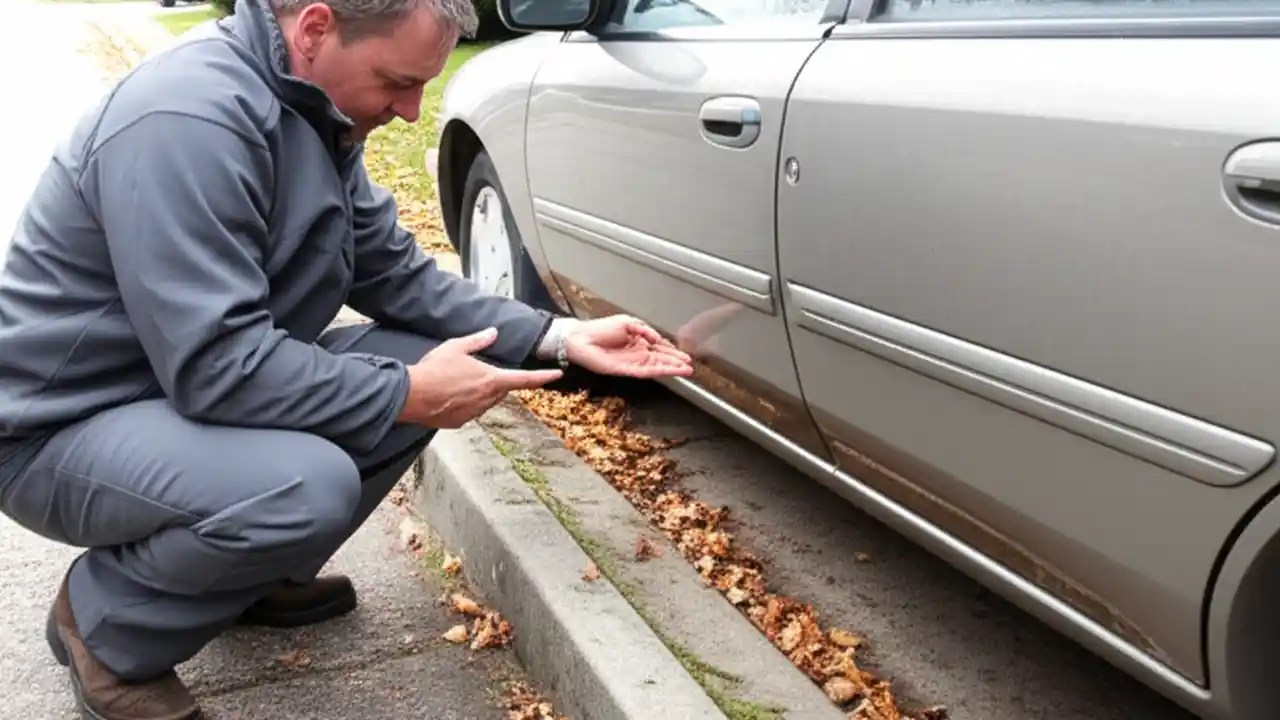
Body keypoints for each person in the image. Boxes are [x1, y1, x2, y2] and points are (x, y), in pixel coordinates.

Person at [0, 0, 694, 717]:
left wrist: (558, 336)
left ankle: (244, 574)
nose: (412, 112)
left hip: (175, 396)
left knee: (431, 354)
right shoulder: (187, 121)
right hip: (61, 430)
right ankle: (107, 624)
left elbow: (397, 274)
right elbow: (216, 366)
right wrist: (403, 392)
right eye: (396, 81)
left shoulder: (308, 106)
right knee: (309, 485)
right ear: (314, 28)